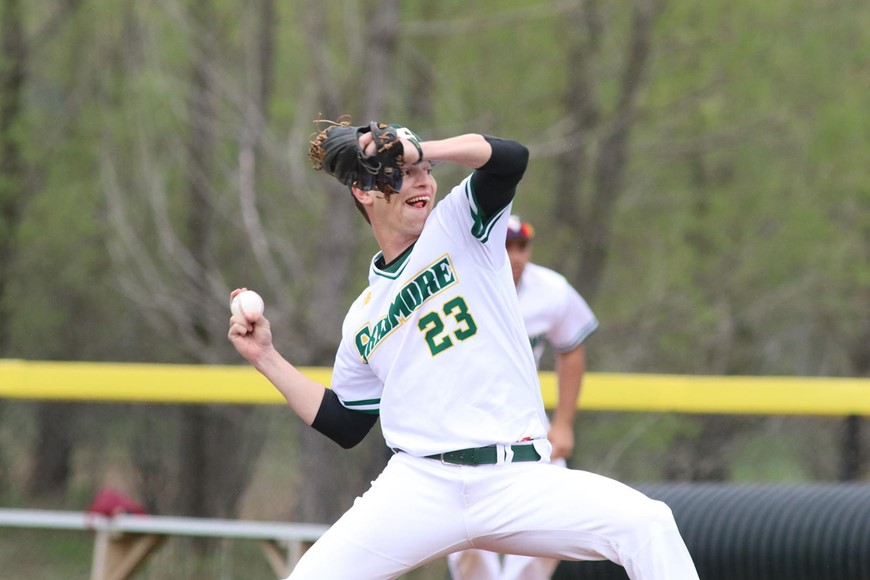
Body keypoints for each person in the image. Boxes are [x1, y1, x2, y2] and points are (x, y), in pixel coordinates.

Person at [228, 121, 699, 579]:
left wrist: (420, 148)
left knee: (648, 524)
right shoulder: (363, 316)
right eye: (403, 173)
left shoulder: (460, 226)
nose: (423, 180)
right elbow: (345, 422)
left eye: (426, 170)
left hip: (516, 478)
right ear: (364, 192)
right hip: (419, 486)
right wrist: (265, 357)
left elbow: (510, 159)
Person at [447, 215, 598, 579]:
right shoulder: (455, 285)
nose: (516, 256)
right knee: (465, 532)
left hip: (524, 418)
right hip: (463, 421)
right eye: (506, 245)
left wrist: (564, 423)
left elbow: (571, 347)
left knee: (555, 516)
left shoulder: (550, 289)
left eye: (522, 246)